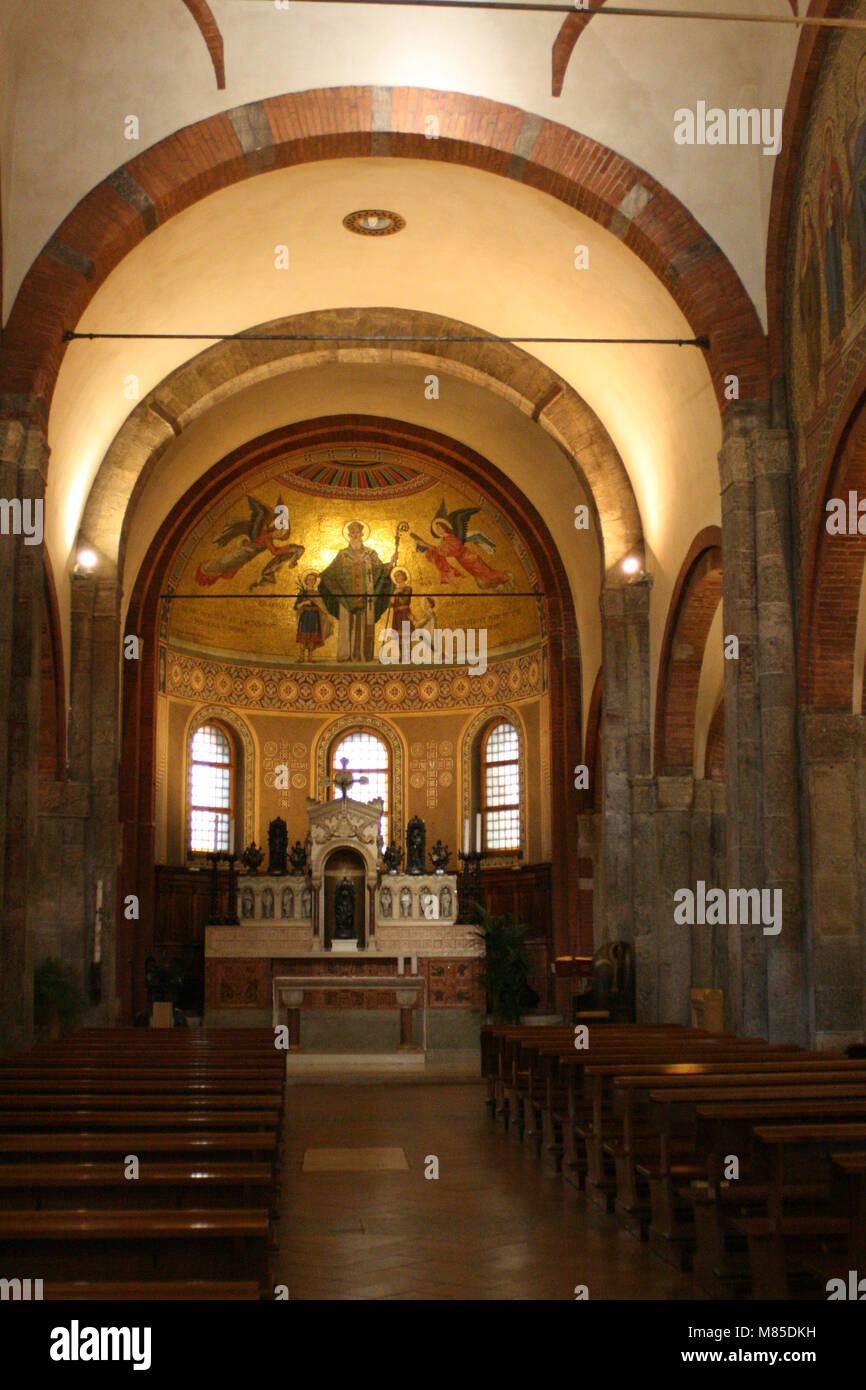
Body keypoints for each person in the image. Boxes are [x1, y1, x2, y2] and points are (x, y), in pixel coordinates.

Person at [318, 521, 398, 662]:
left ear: (362, 535)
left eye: (357, 533)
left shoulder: (370, 554)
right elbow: (331, 572)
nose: (355, 536)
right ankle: (345, 654)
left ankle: (362, 654)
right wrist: (320, 577)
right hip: (346, 598)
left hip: (366, 598)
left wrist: (390, 564)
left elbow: (380, 571)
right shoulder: (342, 555)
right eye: (352, 534)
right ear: (349, 536)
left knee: (364, 625)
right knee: (346, 625)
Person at [294, 571, 334, 660]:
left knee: (313, 638)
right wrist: (303, 603)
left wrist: (327, 615)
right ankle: (301, 656)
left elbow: (322, 606)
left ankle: (310, 656)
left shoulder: (317, 594)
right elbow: (296, 606)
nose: (311, 581)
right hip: (305, 618)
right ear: (306, 581)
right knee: (303, 638)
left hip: (314, 617)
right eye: (309, 579)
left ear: (315, 581)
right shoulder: (302, 593)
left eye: (313, 580)